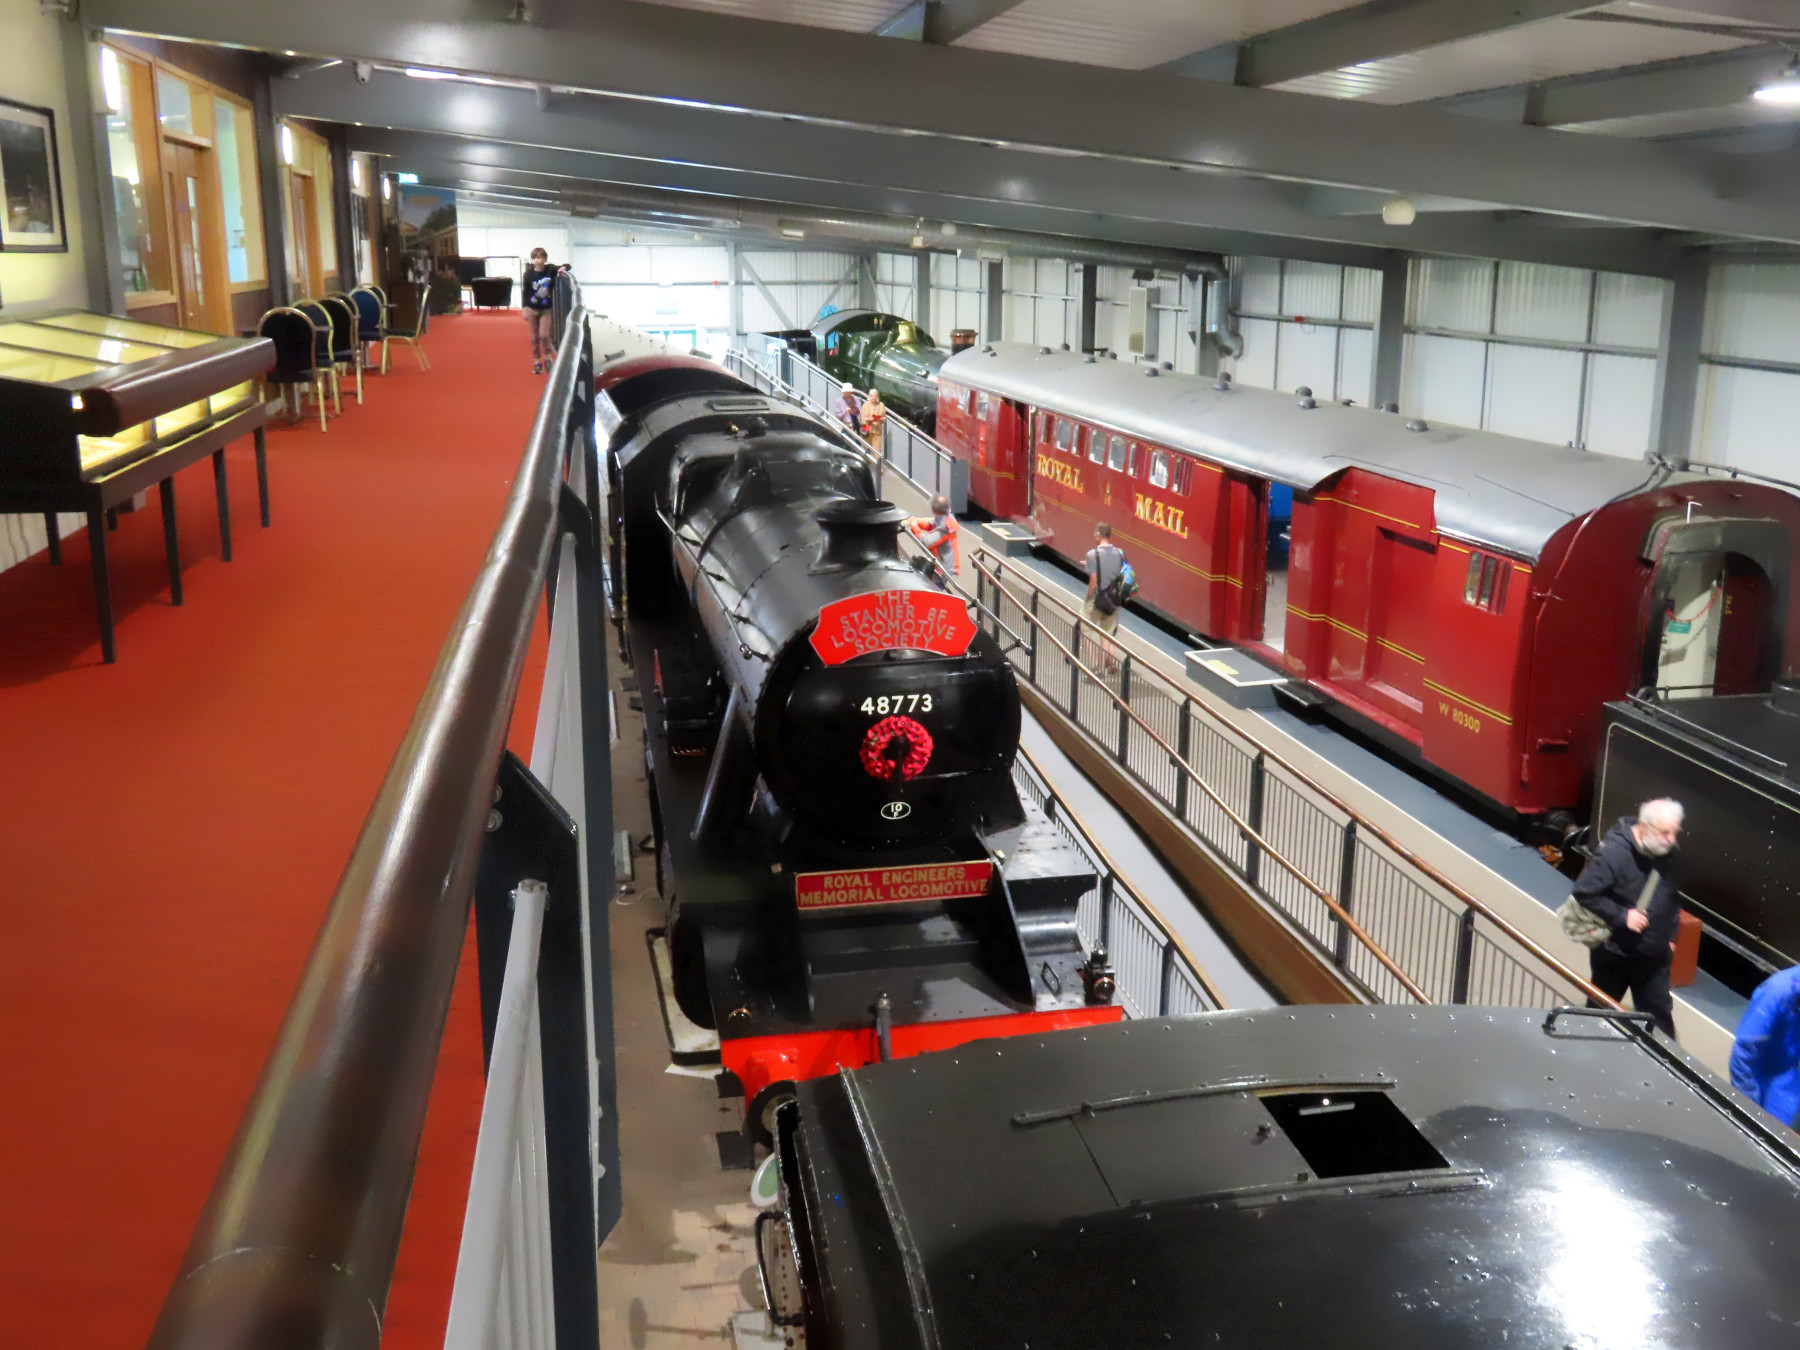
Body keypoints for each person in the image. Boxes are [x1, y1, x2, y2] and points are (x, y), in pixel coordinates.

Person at [1570, 798, 1685, 1037]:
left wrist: (1671, 937)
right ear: (1645, 827)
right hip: (1616, 953)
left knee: (1659, 1017)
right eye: (1665, 832)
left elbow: (1672, 897)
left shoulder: (1668, 852)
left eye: (1675, 832)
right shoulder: (1614, 854)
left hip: (1654, 955)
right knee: (1601, 1010)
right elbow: (1584, 892)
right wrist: (1624, 916)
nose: (1672, 840)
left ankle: (1665, 1064)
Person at [1730, 965, 1800, 1128]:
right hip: (1767, 1098)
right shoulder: (1777, 991)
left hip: (1791, 1093)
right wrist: (1750, 1114)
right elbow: (1743, 1055)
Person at [1084, 523, 1126, 674]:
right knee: (1106, 636)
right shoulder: (1119, 553)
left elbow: (1093, 582)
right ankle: (1104, 668)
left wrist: (1088, 597)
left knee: (1086, 630)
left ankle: (1095, 666)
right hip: (1113, 600)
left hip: (1097, 599)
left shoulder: (1092, 554)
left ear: (1098, 534)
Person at [521, 247, 565, 375]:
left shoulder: (550, 269)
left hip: (546, 309)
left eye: (540, 257)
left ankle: (547, 357)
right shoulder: (528, 274)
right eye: (535, 258)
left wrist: (563, 268)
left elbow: (567, 265)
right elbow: (526, 292)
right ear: (532, 259)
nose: (538, 260)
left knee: (544, 335)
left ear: (545, 259)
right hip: (532, 308)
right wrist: (524, 308)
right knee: (534, 336)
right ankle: (536, 361)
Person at [911, 495, 960, 574]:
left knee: (936, 585)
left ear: (933, 510)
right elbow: (935, 526)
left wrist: (915, 527)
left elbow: (927, 542)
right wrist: (921, 523)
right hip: (942, 563)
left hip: (943, 568)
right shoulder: (945, 516)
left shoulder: (946, 527)